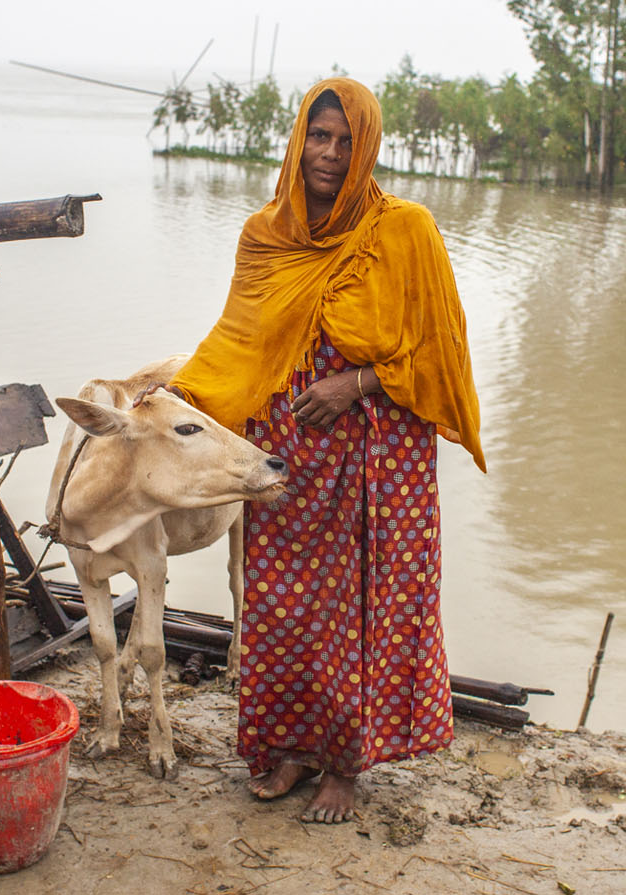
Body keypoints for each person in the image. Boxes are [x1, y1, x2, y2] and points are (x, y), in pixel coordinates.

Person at [146, 78, 485, 823]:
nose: (329, 154)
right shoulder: (266, 233)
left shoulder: (406, 230)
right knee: (283, 599)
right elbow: (237, 341)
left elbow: (436, 348)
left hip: (375, 449)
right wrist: (170, 402)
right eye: (318, 137)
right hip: (286, 447)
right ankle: (293, 746)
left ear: (366, 147)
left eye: (345, 140)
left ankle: (346, 763)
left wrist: (353, 383)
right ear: (299, 140)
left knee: (358, 602)